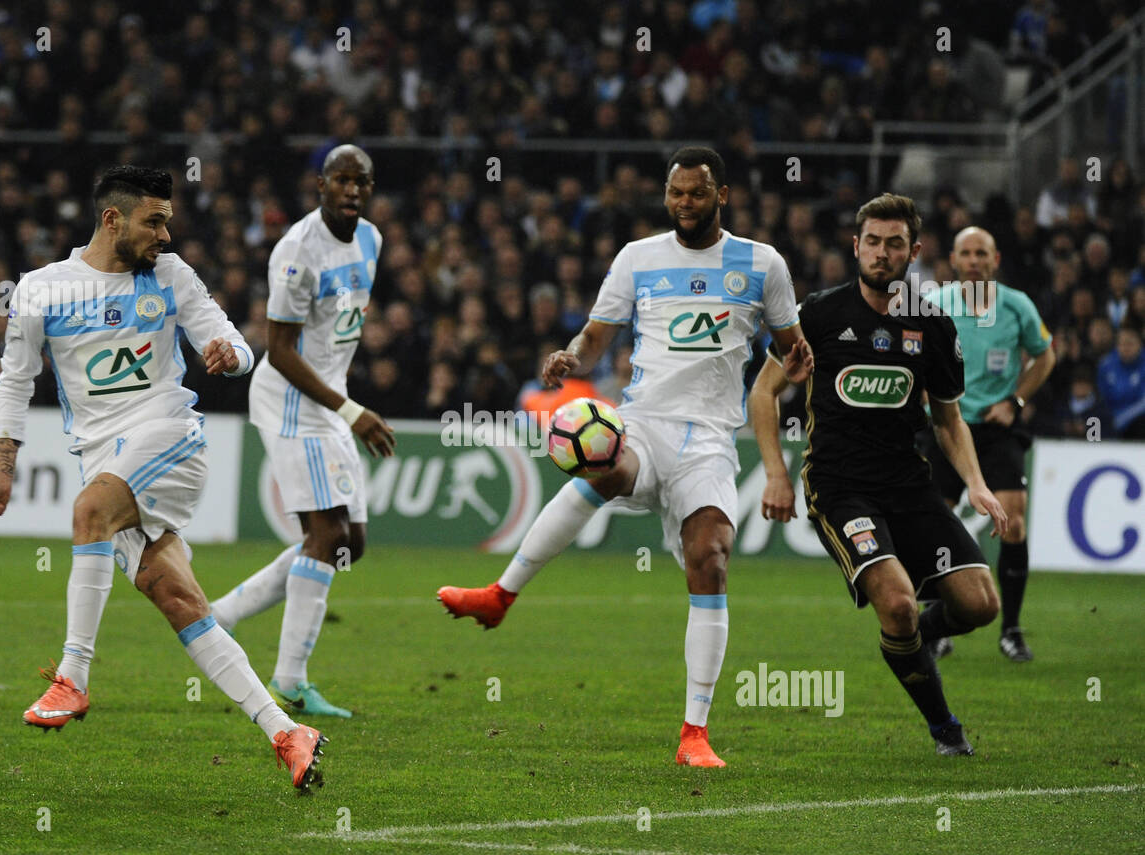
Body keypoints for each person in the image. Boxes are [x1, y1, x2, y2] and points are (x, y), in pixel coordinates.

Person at [438, 146, 813, 768]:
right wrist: (569, 358)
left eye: (696, 193)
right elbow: (594, 338)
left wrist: (788, 368)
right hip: (641, 422)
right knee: (605, 465)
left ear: (721, 195)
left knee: (711, 559)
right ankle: (501, 595)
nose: (684, 204)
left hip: (711, 440)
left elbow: (793, 349)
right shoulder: (638, 258)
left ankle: (694, 734)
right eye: (675, 193)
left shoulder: (763, 264)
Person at [0, 165, 326, 791]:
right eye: (154, 221)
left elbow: (235, 342)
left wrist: (230, 356)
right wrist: (2, 471)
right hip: (104, 456)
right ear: (113, 220)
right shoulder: (41, 289)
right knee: (179, 600)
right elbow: (16, 381)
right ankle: (286, 732)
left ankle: (73, 678)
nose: (166, 233)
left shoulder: (172, 275)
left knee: (87, 512)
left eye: (168, 219)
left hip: (169, 437)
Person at [750, 193, 1007, 757]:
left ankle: (909, 641)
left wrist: (978, 483)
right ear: (856, 246)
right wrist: (776, 473)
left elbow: (948, 418)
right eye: (873, 242)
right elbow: (763, 393)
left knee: (980, 605)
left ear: (913, 251)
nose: (882, 253)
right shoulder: (816, 314)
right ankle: (946, 729)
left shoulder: (933, 325)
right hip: (839, 485)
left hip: (908, 484)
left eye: (895, 244)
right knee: (895, 602)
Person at [208, 145, 394, 719]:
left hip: (329, 400)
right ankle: (289, 682)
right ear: (321, 184)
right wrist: (351, 410)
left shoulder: (372, 240)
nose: (353, 190)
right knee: (327, 537)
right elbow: (282, 352)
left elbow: (336, 334)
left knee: (349, 544)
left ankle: (220, 616)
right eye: (342, 180)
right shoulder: (296, 252)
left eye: (361, 181)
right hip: (293, 403)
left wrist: (342, 403)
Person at [921, 226, 1055, 662]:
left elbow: (1045, 353)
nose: (975, 260)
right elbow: (912, 353)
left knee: (1013, 520)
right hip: (944, 423)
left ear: (995, 260)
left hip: (995, 430)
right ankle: (937, 622)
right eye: (967, 253)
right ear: (954, 260)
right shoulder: (935, 304)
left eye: (982, 252)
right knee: (935, 521)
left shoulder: (1016, 305)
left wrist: (1015, 400)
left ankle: (1011, 630)